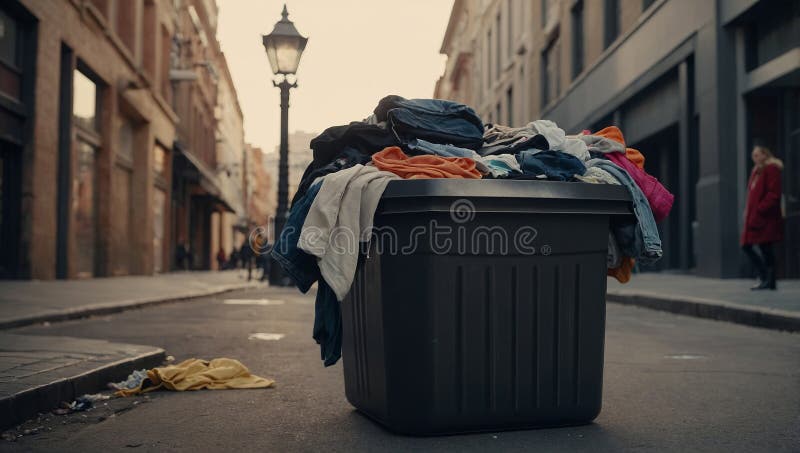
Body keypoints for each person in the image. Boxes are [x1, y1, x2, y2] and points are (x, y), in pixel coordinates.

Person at [741, 145, 783, 290]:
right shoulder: (756, 171)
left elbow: (774, 194)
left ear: (765, 154)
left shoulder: (771, 169)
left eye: (757, 155)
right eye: (753, 155)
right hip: (754, 217)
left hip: (765, 218)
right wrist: (748, 211)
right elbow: (752, 195)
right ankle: (765, 278)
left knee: (766, 248)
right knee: (747, 246)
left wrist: (759, 210)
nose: (755, 158)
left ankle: (769, 281)